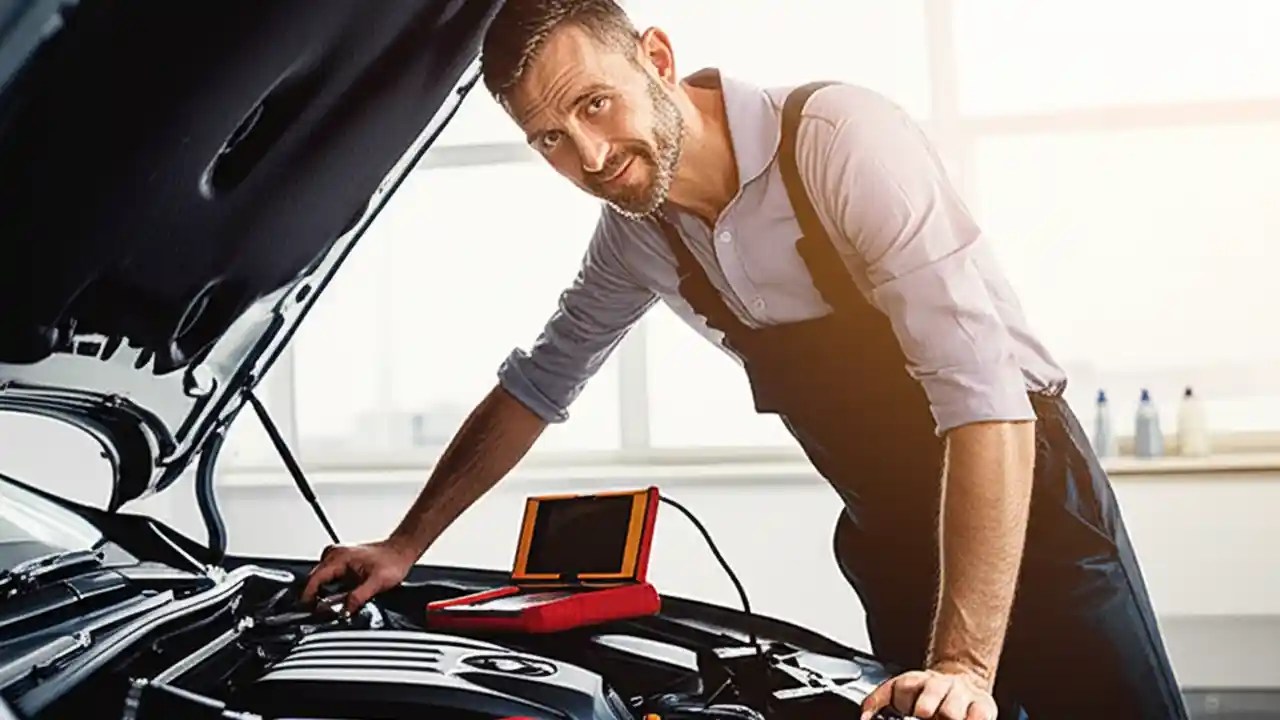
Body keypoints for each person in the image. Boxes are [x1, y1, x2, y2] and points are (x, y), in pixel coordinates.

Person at [302, 2, 1188, 718]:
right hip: (890, 528)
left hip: (1025, 499)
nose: (590, 157)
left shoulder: (840, 138)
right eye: (549, 139)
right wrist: (404, 544)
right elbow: (538, 384)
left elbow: (983, 397)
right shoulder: (638, 238)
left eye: (593, 104)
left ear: (655, 56)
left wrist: (963, 663)